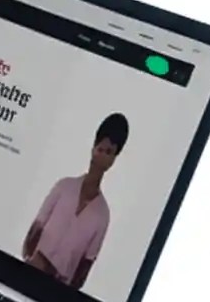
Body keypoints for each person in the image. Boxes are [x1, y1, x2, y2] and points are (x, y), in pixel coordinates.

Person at [21, 113, 129, 290]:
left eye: (109, 152)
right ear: (93, 148)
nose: (102, 155)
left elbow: (86, 264)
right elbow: (36, 228)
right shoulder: (63, 187)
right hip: (33, 269)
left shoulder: (102, 215)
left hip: (58, 287)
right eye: (100, 149)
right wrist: (30, 262)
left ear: (113, 159)